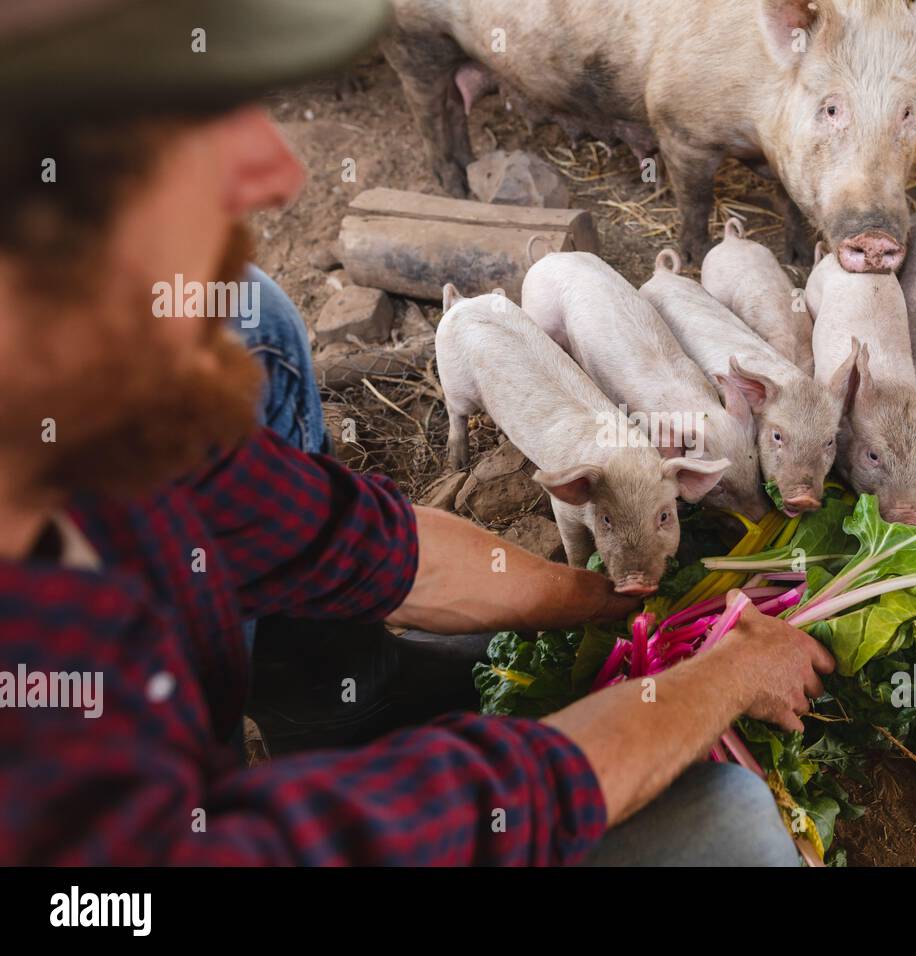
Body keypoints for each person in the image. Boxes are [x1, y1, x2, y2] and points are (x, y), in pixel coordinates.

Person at [0, 0, 835, 866]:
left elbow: (355, 543)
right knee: (729, 824)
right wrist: (713, 681)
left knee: (257, 324)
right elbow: (424, 825)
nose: (275, 169)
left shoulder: (97, 423)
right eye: (167, 122)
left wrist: (610, 600)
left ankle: (340, 700)